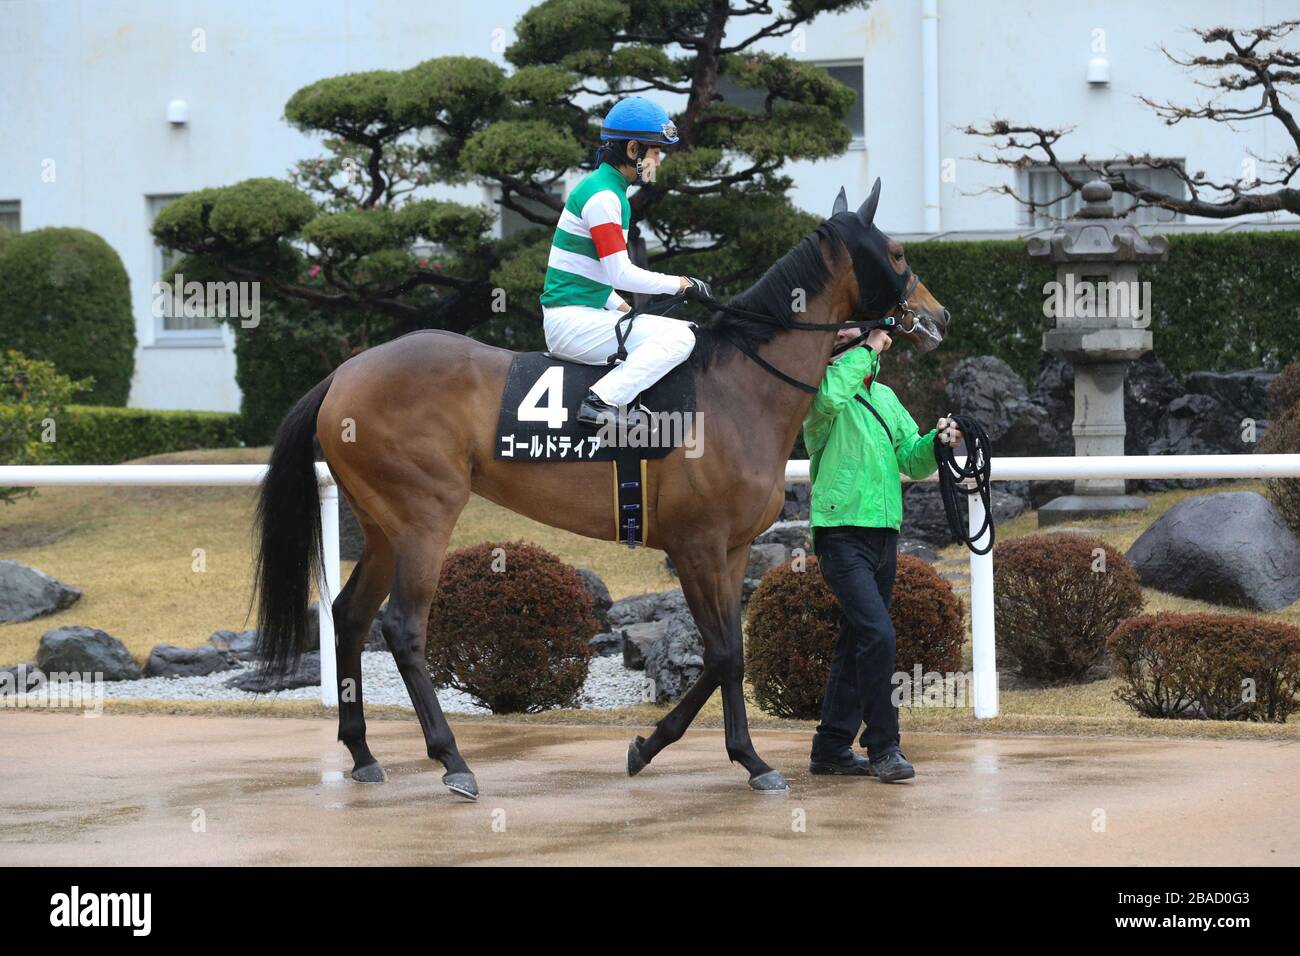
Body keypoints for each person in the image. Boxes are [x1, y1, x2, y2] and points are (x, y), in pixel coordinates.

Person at [802, 324, 963, 782]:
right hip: (840, 532)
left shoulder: (886, 398)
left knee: (857, 638)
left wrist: (937, 441)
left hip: (883, 535)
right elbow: (830, 399)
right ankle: (883, 747)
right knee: (879, 635)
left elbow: (910, 460)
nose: (865, 343)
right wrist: (868, 345)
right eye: (851, 337)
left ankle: (831, 747)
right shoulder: (821, 391)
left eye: (864, 336)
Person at [540, 96, 712, 428]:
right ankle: (600, 402)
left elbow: (593, 277)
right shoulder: (605, 197)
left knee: (679, 330)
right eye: (656, 151)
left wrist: (626, 312)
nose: (658, 161)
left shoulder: (605, 189)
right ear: (633, 150)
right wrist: (681, 284)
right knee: (682, 337)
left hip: (577, 316)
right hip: (570, 324)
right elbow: (620, 273)